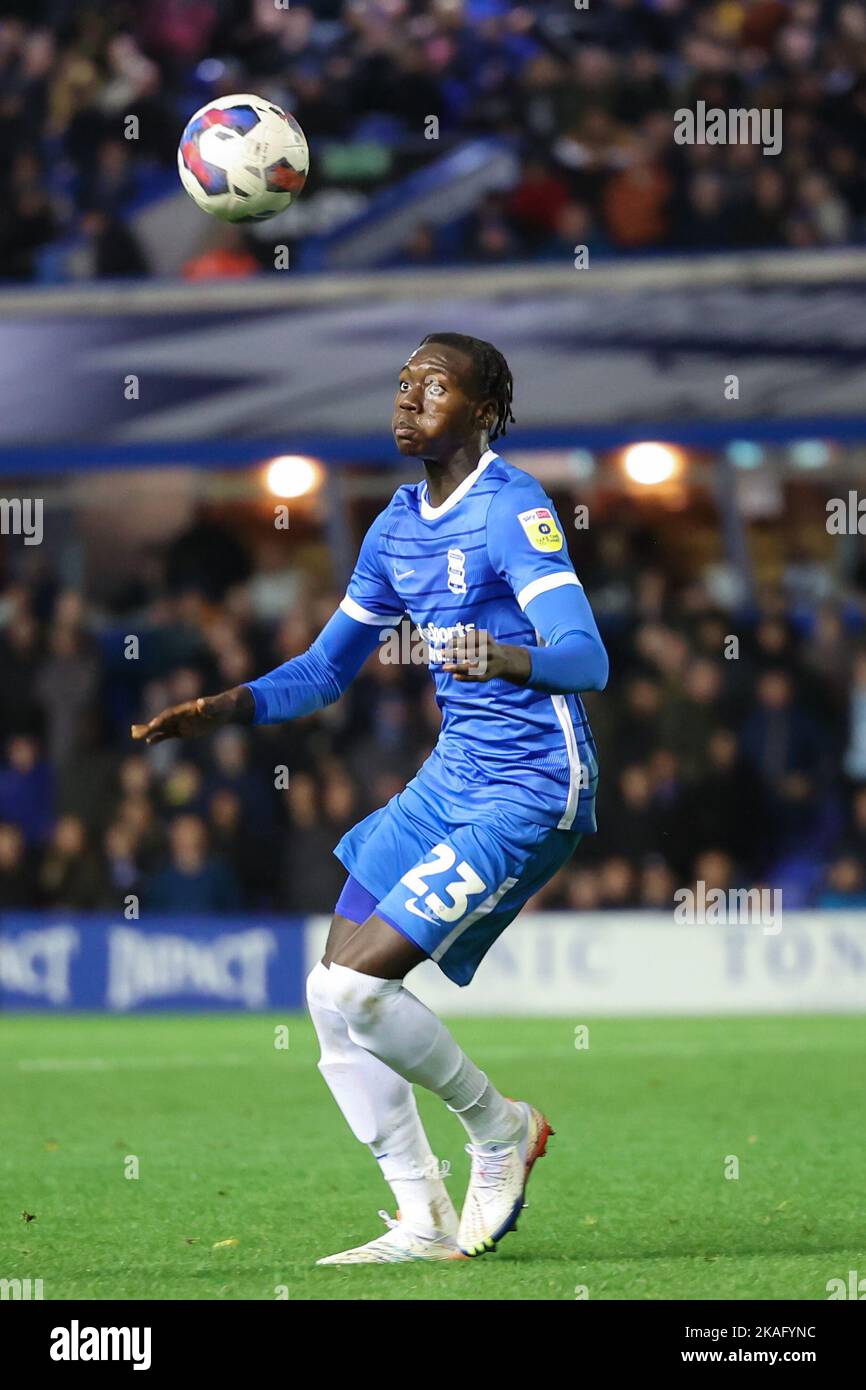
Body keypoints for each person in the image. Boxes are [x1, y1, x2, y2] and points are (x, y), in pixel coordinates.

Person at [132, 332, 608, 1264]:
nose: (406, 399)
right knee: (327, 994)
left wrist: (506, 655)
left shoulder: (513, 509)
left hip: (530, 784)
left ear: (480, 410)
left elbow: (588, 657)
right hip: (451, 776)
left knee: (359, 984)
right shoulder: (393, 528)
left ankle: (498, 1128)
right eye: (401, 384)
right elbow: (322, 671)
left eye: (432, 387)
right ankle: (423, 1218)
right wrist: (221, 708)